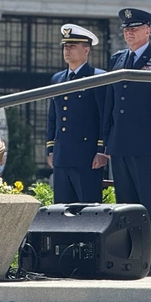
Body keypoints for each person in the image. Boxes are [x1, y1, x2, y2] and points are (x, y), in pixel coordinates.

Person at [102, 8, 151, 274]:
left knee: (146, 204)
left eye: (134, 28)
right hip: (120, 143)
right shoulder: (118, 59)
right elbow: (111, 105)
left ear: (148, 30)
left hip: (147, 145)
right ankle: (130, 256)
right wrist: (106, 143)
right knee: (125, 205)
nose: (129, 32)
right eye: (125, 29)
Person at [45, 24, 107, 203]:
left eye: (72, 46)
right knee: (61, 208)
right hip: (62, 154)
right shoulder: (58, 79)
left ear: (86, 49)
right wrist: (51, 149)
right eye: (65, 46)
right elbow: (53, 117)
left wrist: (101, 151)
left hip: (87, 155)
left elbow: (104, 117)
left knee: (87, 208)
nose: (67, 50)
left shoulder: (97, 77)